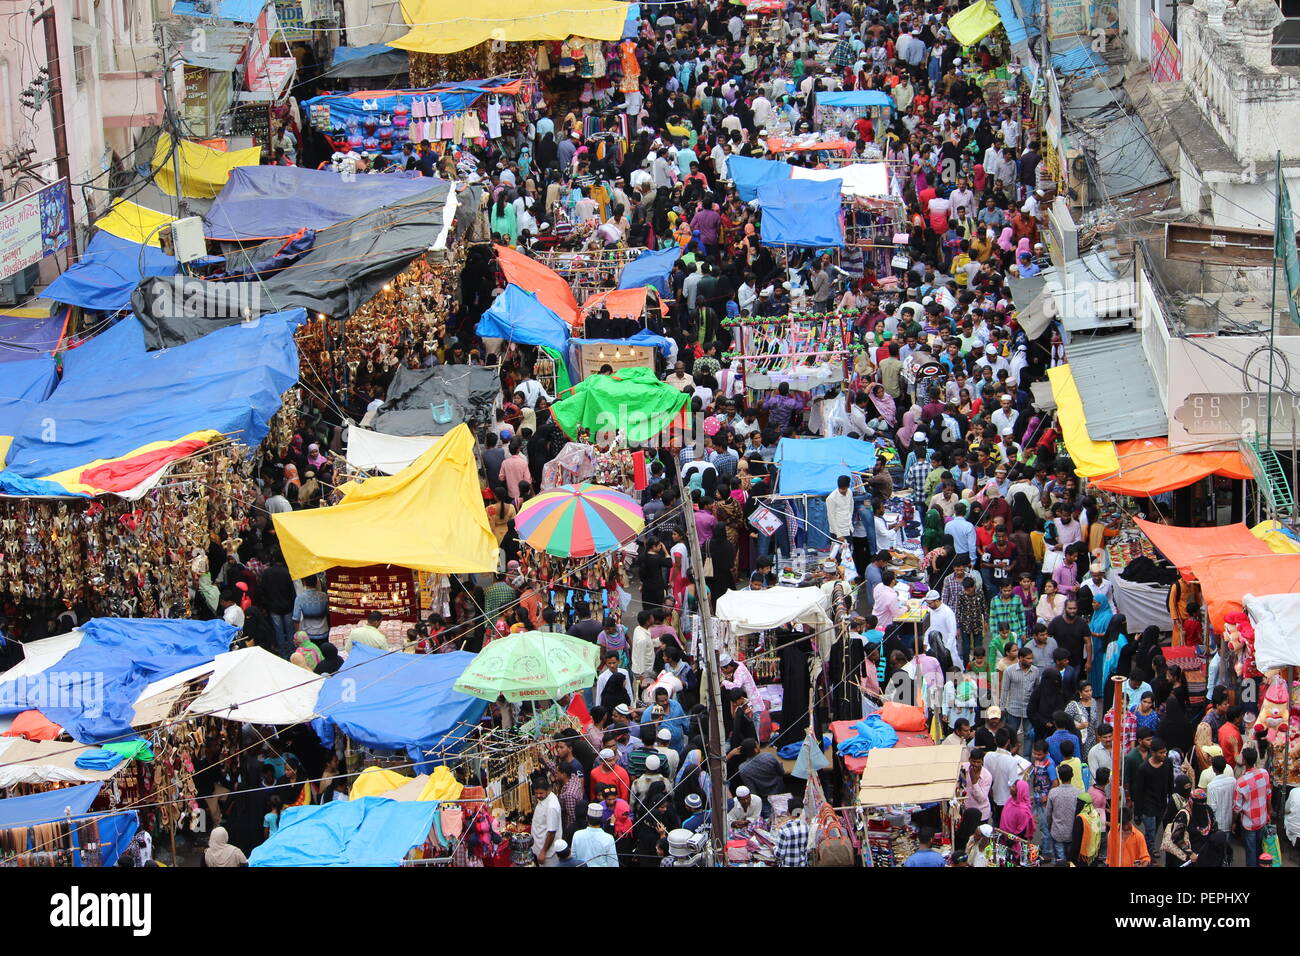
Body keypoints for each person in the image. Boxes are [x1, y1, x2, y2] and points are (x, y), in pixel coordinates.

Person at [1233, 747, 1271, 867]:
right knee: (1260, 847)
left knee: (1251, 851)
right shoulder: (1264, 773)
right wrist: (1269, 813)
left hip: (1249, 823)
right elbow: (1268, 795)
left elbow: (1237, 808)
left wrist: (1233, 822)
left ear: (1244, 760)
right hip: (1262, 819)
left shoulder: (1241, 782)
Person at [1045, 761, 1081, 864]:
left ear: (1059, 776)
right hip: (1072, 832)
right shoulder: (1078, 793)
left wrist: (1050, 826)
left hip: (1057, 832)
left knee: (1060, 860)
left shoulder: (1053, 793)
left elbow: (1048, 814)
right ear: (1072, 775)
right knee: (1071, 860)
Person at [570, 802, 619, 867]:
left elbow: (573, 859)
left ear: (587, 818)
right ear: (601, 819)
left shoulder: (577, 835)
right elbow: (613, 863)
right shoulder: (608, 838)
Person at [530, 771, 563, 866]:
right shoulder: (546, 798)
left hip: (548, 853)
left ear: (548, 790)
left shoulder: (551, 807)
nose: (538, 796)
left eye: (541, 793)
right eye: (536, 793)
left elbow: (551, 832)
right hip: (540, 848)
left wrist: (543, 852)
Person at [774, 801, 810, 867]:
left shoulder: (784, 830)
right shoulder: (807, 827)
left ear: (788, 811)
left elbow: (779, 855)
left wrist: (773, 849)